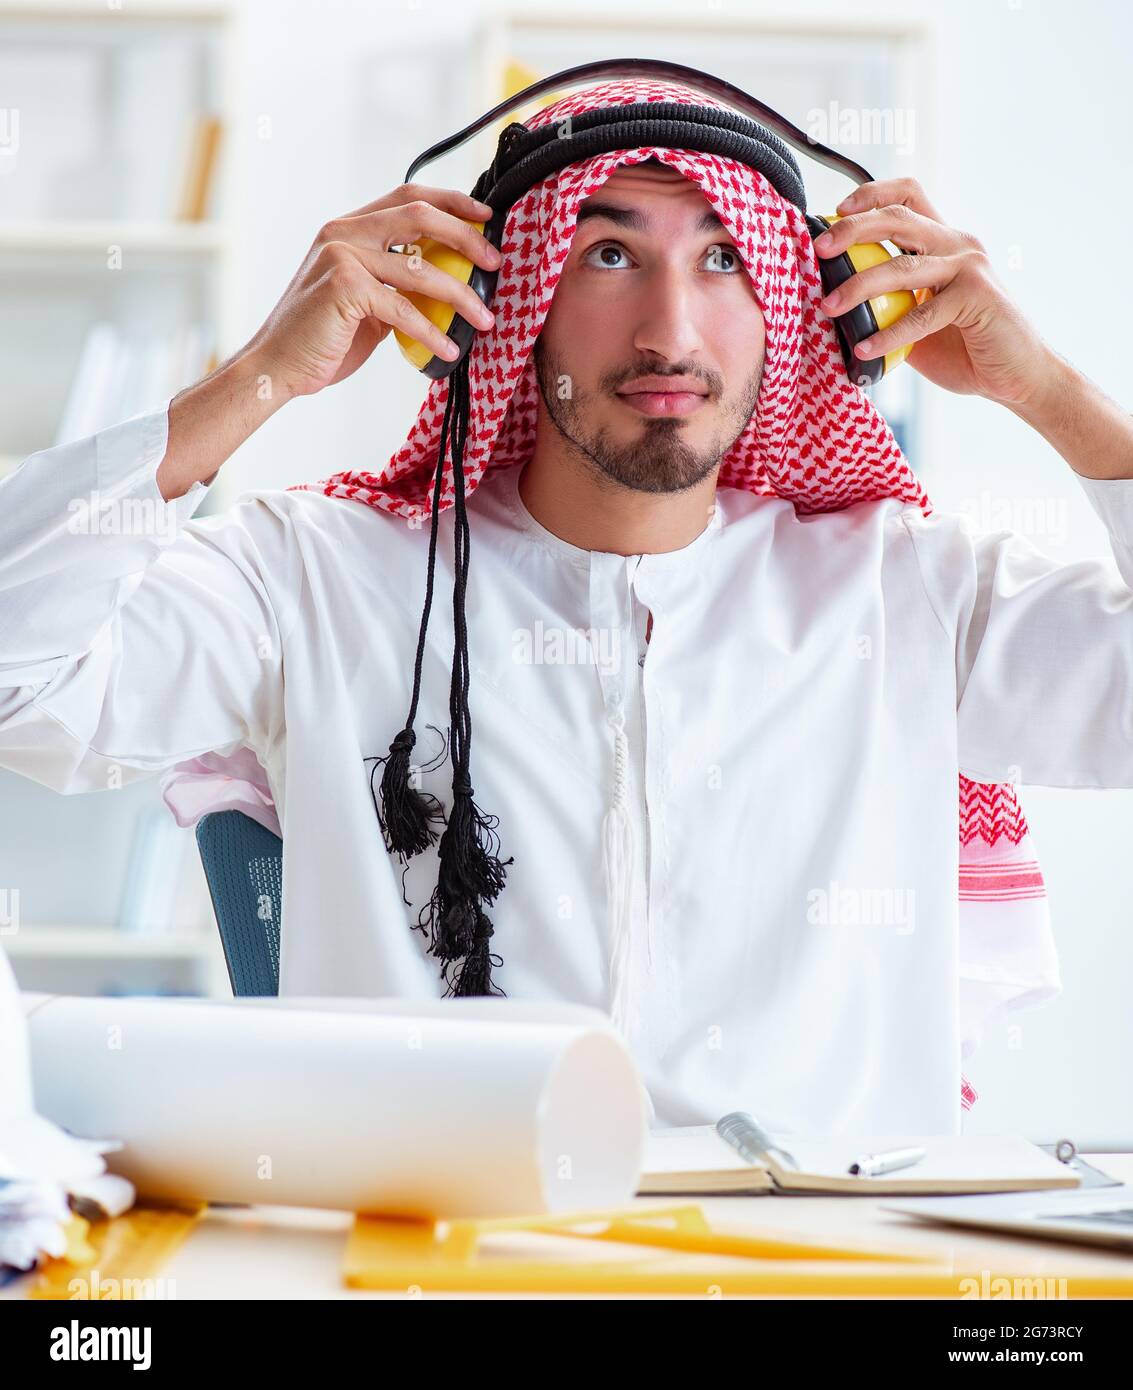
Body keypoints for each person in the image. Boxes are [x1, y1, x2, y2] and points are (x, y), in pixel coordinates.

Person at [3, 77, 1133, 1134]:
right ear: (504, 300)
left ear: (795, 314)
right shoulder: (317, 577)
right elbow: (23, 683)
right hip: (442, 1257)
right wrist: (254, 377)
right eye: (607, 252)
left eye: (725, 261)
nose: (670, 334)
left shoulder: (908, 591)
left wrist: (1051, 392)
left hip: (819, 1263)